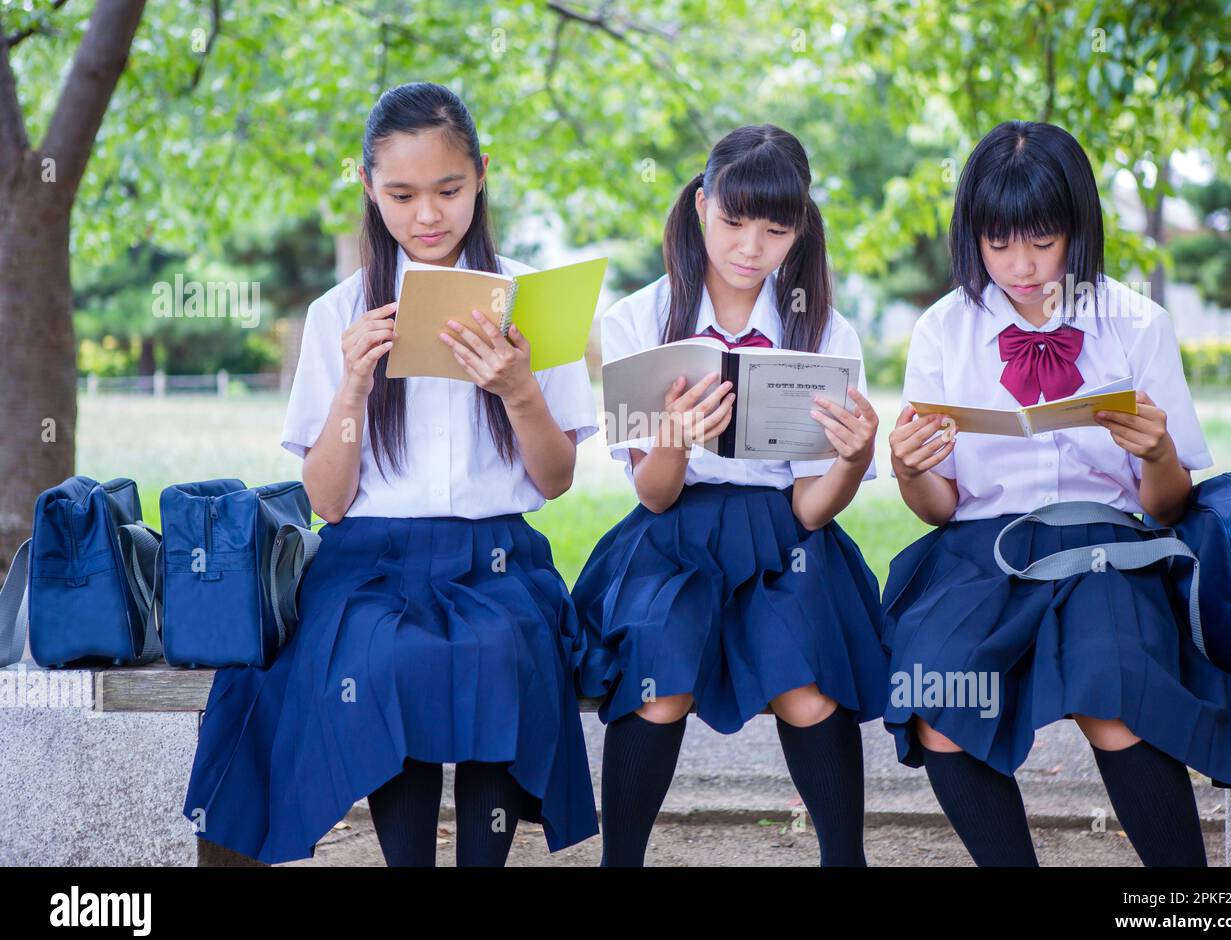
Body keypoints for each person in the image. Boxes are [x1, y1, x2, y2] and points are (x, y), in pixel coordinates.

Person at [182, 82, 599, 866]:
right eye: (402, 195)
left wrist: (518, 389)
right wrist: (353, 385)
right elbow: (328, 501)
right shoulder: (338, 313)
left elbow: (555, 480)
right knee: (382, 659)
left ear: (481, 175)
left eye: (448, 190)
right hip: (368, 558)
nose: (428, 215)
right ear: (370, 189)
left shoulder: (531, 302)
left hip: (496, 554)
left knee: (502, 652)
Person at [884, 119, 1231, 867]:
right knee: (941, 702)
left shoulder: (1136, 323)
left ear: (1080, 228)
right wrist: (912, 466)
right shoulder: (942, 330)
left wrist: (1160, 450)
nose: (1022, 264)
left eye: (1042, 240)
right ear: (972, 236)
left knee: (1115, 694)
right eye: (998, 242)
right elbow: (939, 507)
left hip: (1110, 545)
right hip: (984, 549)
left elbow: (1166, 505)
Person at [572, 124, 890, 867]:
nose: (751, 247)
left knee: (807, 688)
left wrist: (855, 457)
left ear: (799, 230)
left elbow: (814, 506)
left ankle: (846, 859)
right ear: (700, 204)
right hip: (671, 530)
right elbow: (652, 495)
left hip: (787, 534)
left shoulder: (823, 328)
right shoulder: (639, 320)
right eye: (733, 221)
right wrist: (676, 440)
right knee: (659, 684)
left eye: (775, 230)